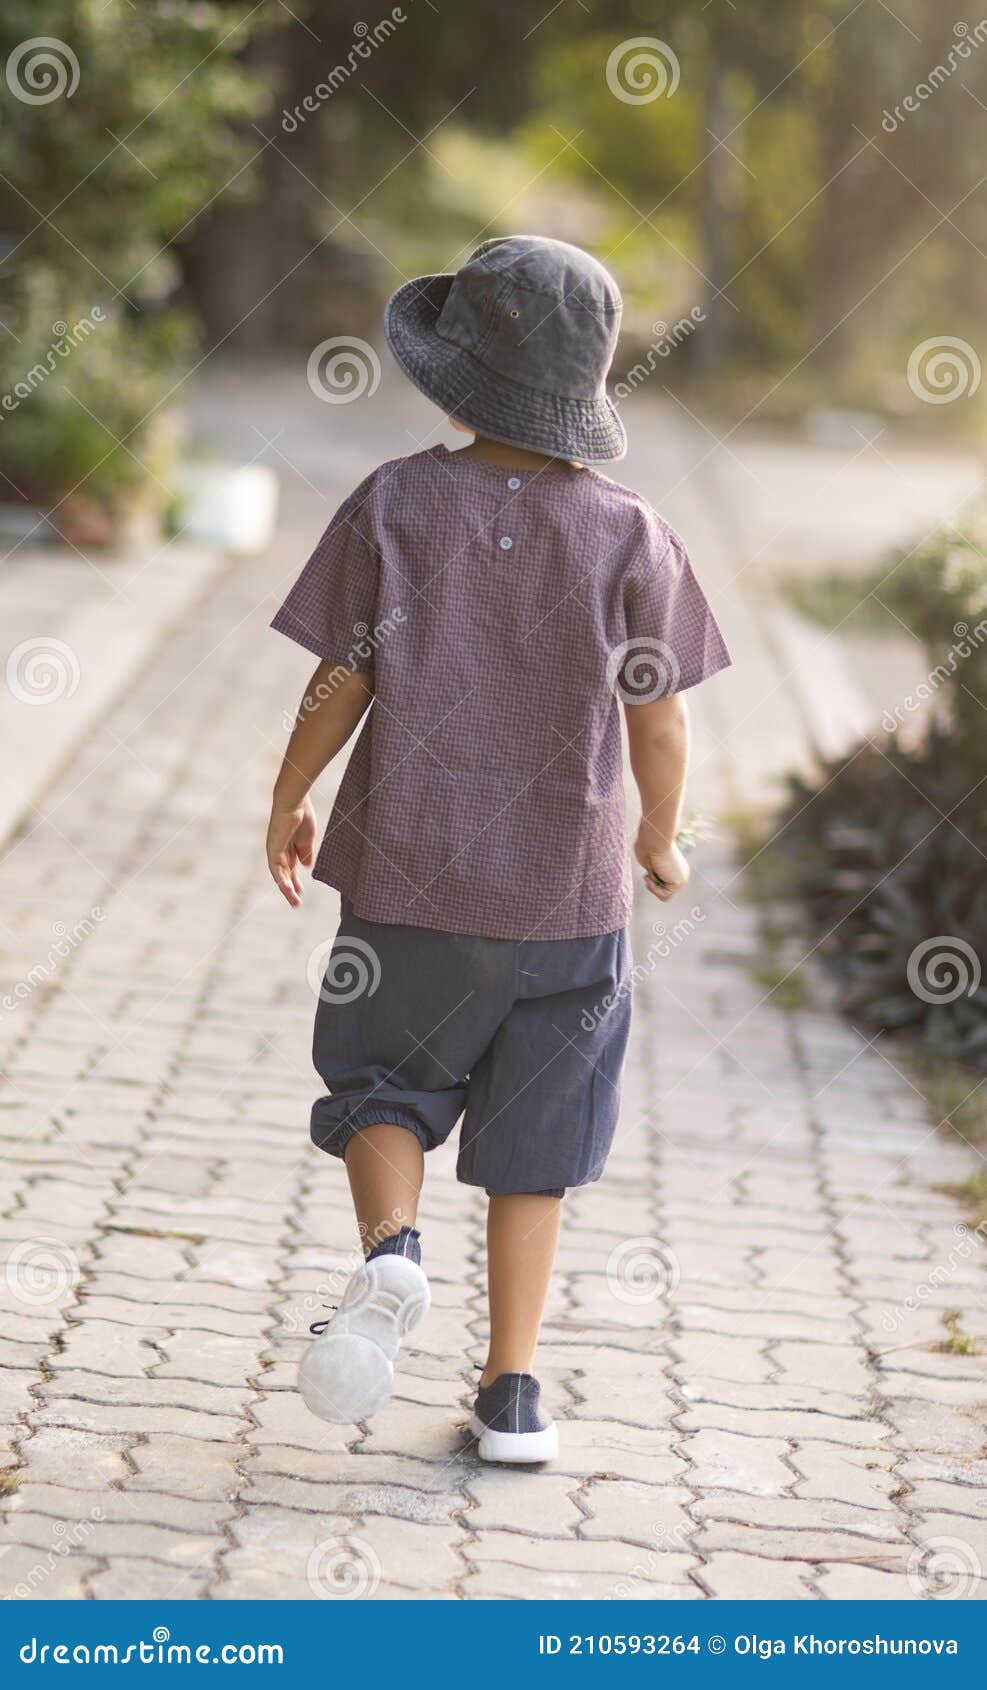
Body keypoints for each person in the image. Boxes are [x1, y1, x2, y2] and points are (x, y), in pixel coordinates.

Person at [266, 235, 730, 1463]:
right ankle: (513, 1391)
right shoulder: (634, 536)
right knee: (538, 1146)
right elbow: (662, 713)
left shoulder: (397, 500)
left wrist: (288, 796)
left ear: (457, 376)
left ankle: (392, 1254)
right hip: (568, 901)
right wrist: (660, 839)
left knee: (381, 1082)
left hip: (413, 879)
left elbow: (343, 671)